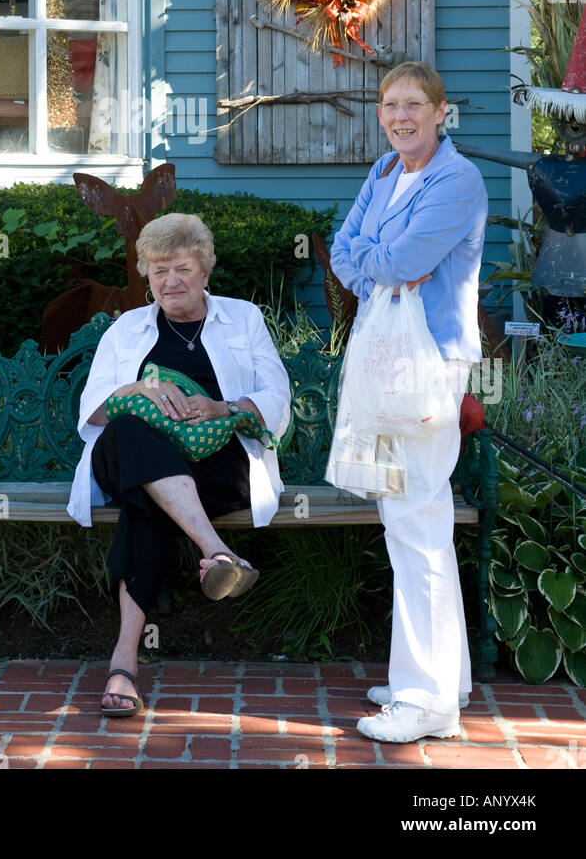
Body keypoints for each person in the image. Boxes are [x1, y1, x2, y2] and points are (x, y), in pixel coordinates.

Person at [67, 212, 291, 717]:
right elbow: (92, 414)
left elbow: (277, 397)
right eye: (159, 270)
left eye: (183, 269)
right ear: (147, 276)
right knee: (129, 429)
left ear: (206, 271)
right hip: (126, 456)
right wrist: (136, 389)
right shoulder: (127, 330)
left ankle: (124, 661)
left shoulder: (244, 319)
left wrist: (222, 408)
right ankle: (215, 550)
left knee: (146, 505)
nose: (171, 281)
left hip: (216, 462)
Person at [329, 60, 488, 744]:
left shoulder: (458, 179)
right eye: (390, 105)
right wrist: (381, 259)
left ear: (440, 111)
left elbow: (394, 264)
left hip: (429, 364)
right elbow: (345, 253)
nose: (400, 116)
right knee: (411, 525)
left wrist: (379, 259)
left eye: (414, 105)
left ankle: (426, 703)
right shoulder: (385, 173)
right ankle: (436, 678)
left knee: (418, 525)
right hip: (386, 359)